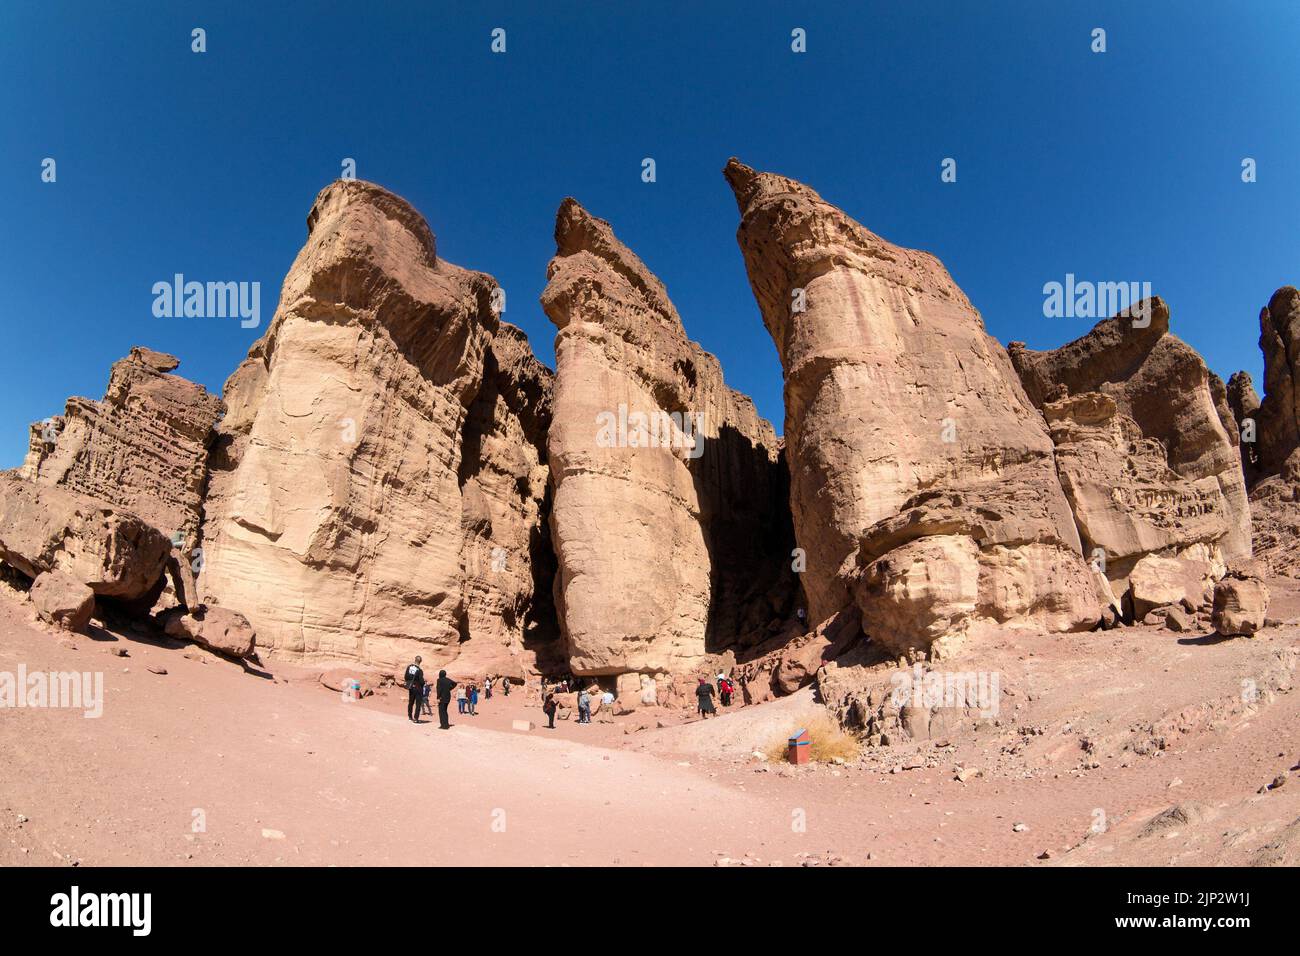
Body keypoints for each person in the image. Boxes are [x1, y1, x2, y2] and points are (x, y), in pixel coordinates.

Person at [404, 656, 425, 723]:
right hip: (418, 688)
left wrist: (409, 682)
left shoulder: (409, 667)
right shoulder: (419, 670)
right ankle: (416, 718)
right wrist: (423, 682)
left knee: (411, 702)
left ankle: (410, 716)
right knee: (418, 704)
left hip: (411, 687)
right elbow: (421, 681)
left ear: (415, 660)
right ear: (420, 662)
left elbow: (406, 677)